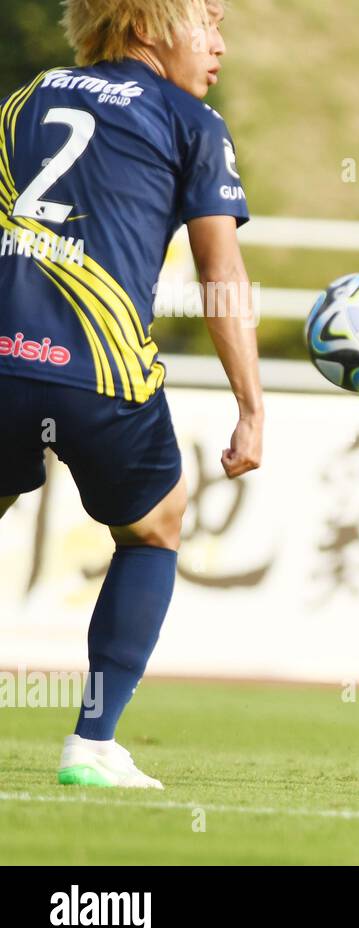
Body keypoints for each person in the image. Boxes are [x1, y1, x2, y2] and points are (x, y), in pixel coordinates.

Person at [0, 0, 261, 788]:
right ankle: (93, 744)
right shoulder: (192, 121)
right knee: (155, 525)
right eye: (207, 24)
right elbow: (220, 275)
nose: (218, 45)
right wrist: (251, 404)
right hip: (98, 368)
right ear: (149, 27)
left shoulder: (26, 99)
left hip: (4, 354)